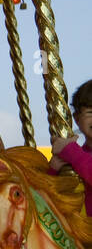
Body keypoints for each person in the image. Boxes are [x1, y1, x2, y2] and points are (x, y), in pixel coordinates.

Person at [49, 80, 92, 215]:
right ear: (77, 118)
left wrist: (70, 151)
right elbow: (50, 196)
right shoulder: (75, 158)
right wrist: (53, 170)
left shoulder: (75, 156)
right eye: (90, 112)